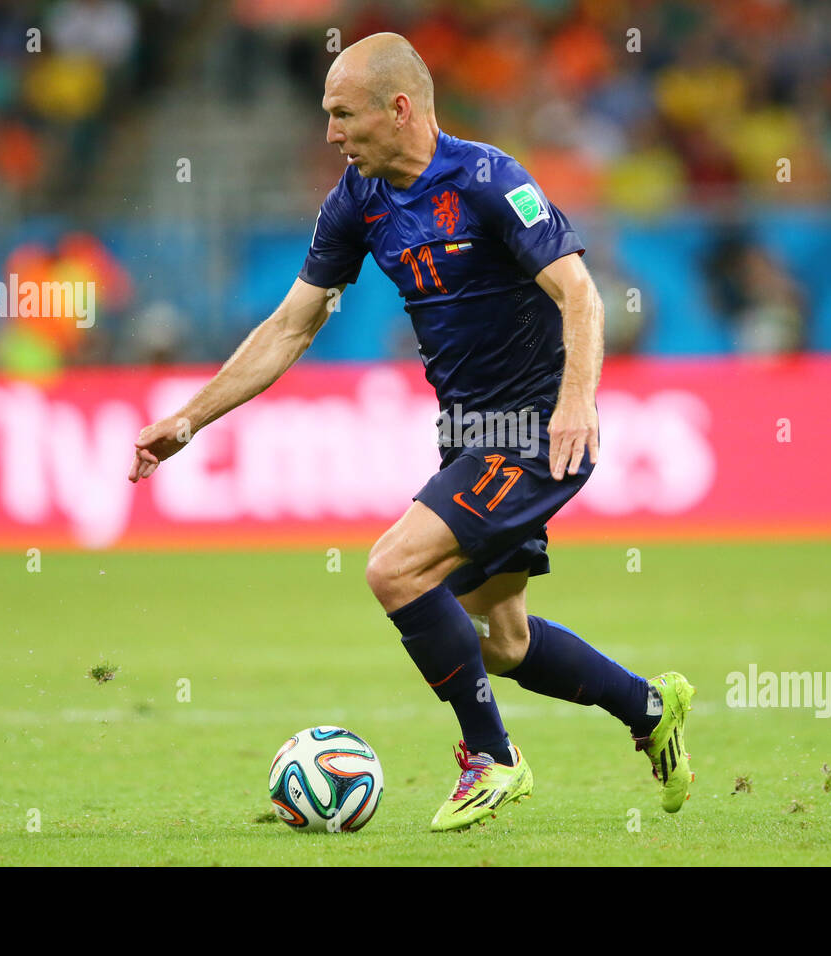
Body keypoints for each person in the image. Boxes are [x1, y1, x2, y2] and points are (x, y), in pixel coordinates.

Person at [128, 33, 694, 831]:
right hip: (467, 432)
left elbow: (582, 296)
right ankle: (648, 707)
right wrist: (190, 417)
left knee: (395, 570)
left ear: (398, 109)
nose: (330, 133)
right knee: (501, 642)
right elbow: (292, 326)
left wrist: (577, 401)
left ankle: (492, 759)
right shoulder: (356, 200)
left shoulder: (490, 180)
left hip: (531, 429)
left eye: (341, 113)